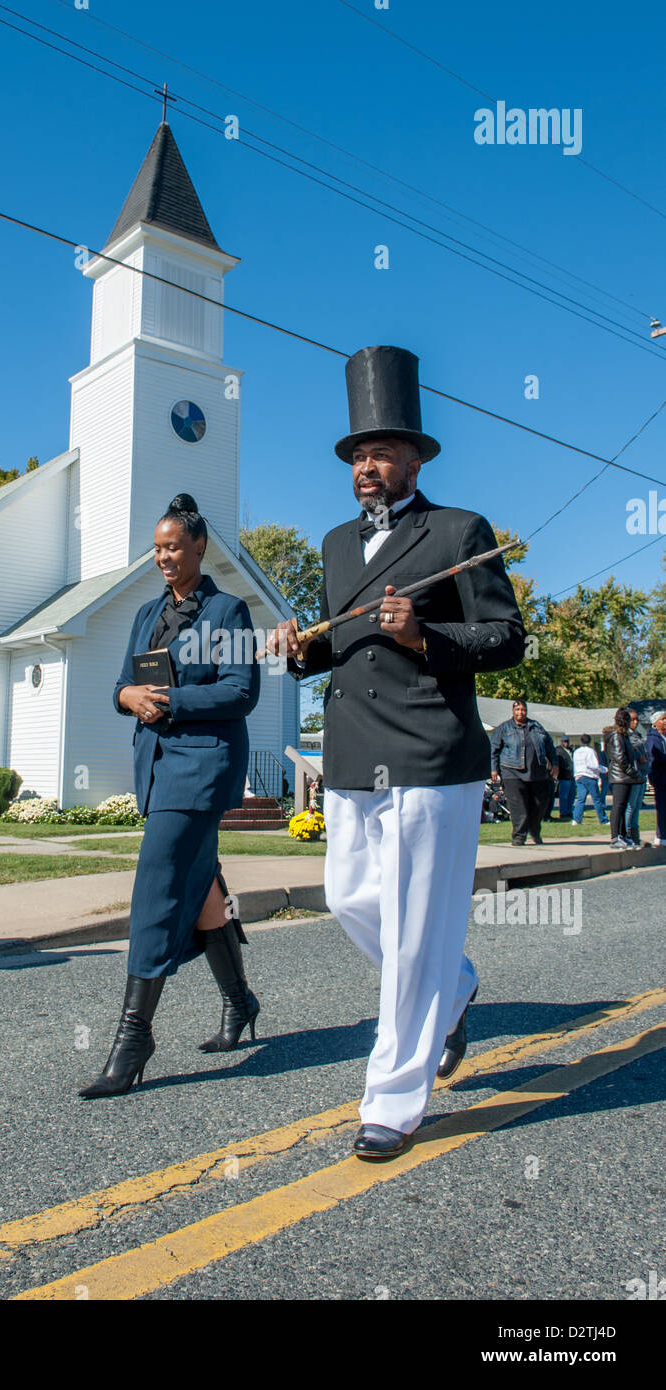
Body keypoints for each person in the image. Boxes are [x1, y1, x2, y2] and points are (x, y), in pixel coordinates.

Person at [267, 345, 525, 1160]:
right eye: (356, 454)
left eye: (381, 452)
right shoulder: (336, 542)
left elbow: (504, 639)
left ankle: (393, 1097)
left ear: (415, 459)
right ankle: (452, 988)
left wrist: (425, 636)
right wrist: (296, 652)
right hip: (350, 751)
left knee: (415, 929)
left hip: (428, 750)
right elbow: (341, 639)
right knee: (348, 898)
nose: (366, 466)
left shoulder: (458, 531)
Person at [78, 494, 261, 1099]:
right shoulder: (145, 614)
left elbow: (240, 693)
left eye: (173, 547)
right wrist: (125, 697)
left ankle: (134, 1036)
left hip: (201, 767)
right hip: (155, 766)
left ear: (199, 547)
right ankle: (240, 1001)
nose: (162, 557)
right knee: (203, 887)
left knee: (157, 886)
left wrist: (171, 702)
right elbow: (123, 684)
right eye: (157, 548)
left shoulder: (229, 612)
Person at [489, 700, 558, 846]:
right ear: (513, 711)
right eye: (517, 709)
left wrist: (555, 764)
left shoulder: (536, 726)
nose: (520, 712)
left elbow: (550, 746)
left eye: (523, 709)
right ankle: (519, 836)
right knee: (518, 806)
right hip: (511, 771)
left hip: (537, 772)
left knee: (541, 803)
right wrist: (493, 768)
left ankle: (534, 830)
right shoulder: (504, 728)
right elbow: (494, 750)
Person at [603, 708, 642, 849]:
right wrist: (632, 773)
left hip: (625, 777)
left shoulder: (623, 735)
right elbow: (620, 758)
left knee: (623, 807)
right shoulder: (616, 735)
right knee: (618, 807)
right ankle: (615, 837)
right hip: (620, 777)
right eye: (629, 720)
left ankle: (623, 836)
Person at [572, 734, 608, 826]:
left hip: (579, 776)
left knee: (581, 799)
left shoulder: (576, 752)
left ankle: (576, 819)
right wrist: (604, 769)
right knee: (596, 799)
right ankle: (603, 819)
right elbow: (593, 765)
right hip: (589, 776)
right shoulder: (590, 751)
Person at [626, 711, 649, 847]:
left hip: (641, 774)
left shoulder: (637, 735)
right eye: (632, 719)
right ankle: (628, 835)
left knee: (636, 807)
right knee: (630, 806)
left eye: (637, 720)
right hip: (632, 775)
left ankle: (635, 836)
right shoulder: (626, 736)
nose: (635, 722)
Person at [645, 710, 666, 848]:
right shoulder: (653, 738)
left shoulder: (663, 737)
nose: (665, 722)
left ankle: (661, 835)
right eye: (663, 719)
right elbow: (653, 758)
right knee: (663, 807)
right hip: (661, 777)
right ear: (655, 722)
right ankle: (661, 836)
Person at [553, 735, 575, 819]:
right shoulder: (558, 750)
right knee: (564, 796)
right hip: (563, 777)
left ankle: (569, 811)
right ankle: (563, 812)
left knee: (571, 796)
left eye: (567, 741)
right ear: (561, 742)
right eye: (564, 741)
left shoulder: (571, 750)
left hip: (572, 777)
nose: (566, 743)